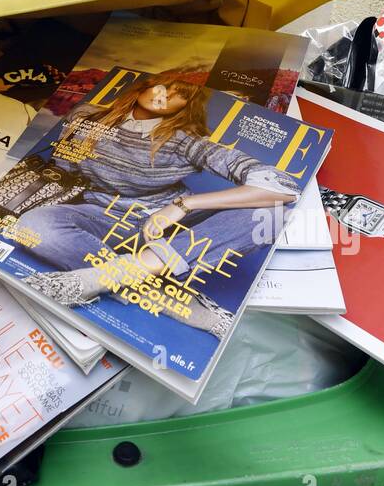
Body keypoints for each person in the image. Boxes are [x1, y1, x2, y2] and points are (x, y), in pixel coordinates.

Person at [21, 71, 300, 338]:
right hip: (102, 217)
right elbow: (63, 167)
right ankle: (159, 289)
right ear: (144, 86)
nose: (165, 95)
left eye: (179, 94)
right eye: (163, 85)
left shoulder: (184, 142)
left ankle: (104, 278)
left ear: (187, 105)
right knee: (34, 225)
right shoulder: (86, 117)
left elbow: (283, 188)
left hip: (170, 228)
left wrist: (184, 204)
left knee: (272, 215)